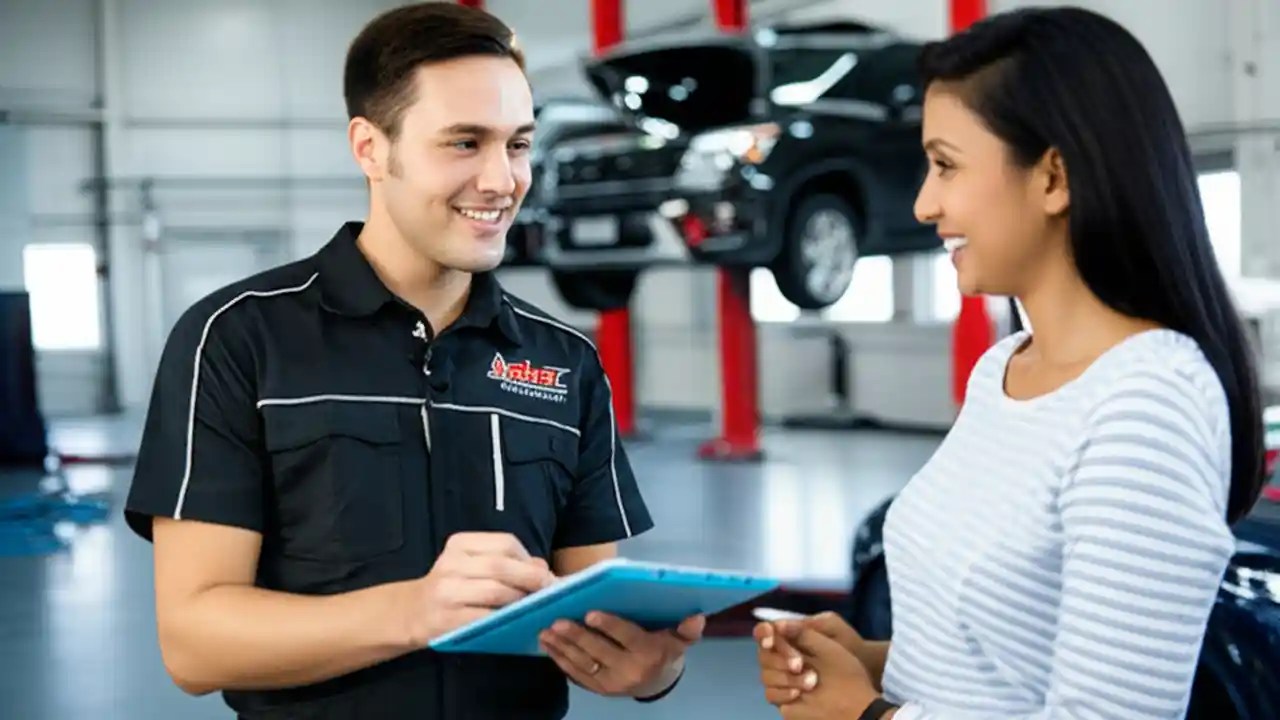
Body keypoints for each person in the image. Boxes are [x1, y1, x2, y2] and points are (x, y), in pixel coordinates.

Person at [123, 4, 702, 718]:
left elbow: (592, 617)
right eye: (464, 143)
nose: (502, 180)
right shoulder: (239, 339)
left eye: (518, 145)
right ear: (370, 148)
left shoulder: (565, 362)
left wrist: (648, 670)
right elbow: (194, 643)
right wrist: (415, 612)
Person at [753, 7, 1265, 720]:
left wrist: (868, 716)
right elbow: (1004, 662)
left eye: (945, 165)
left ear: (1054, 176)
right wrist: (872, 662)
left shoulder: (1148, 404)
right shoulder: (1003, 371)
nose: (926, 203)